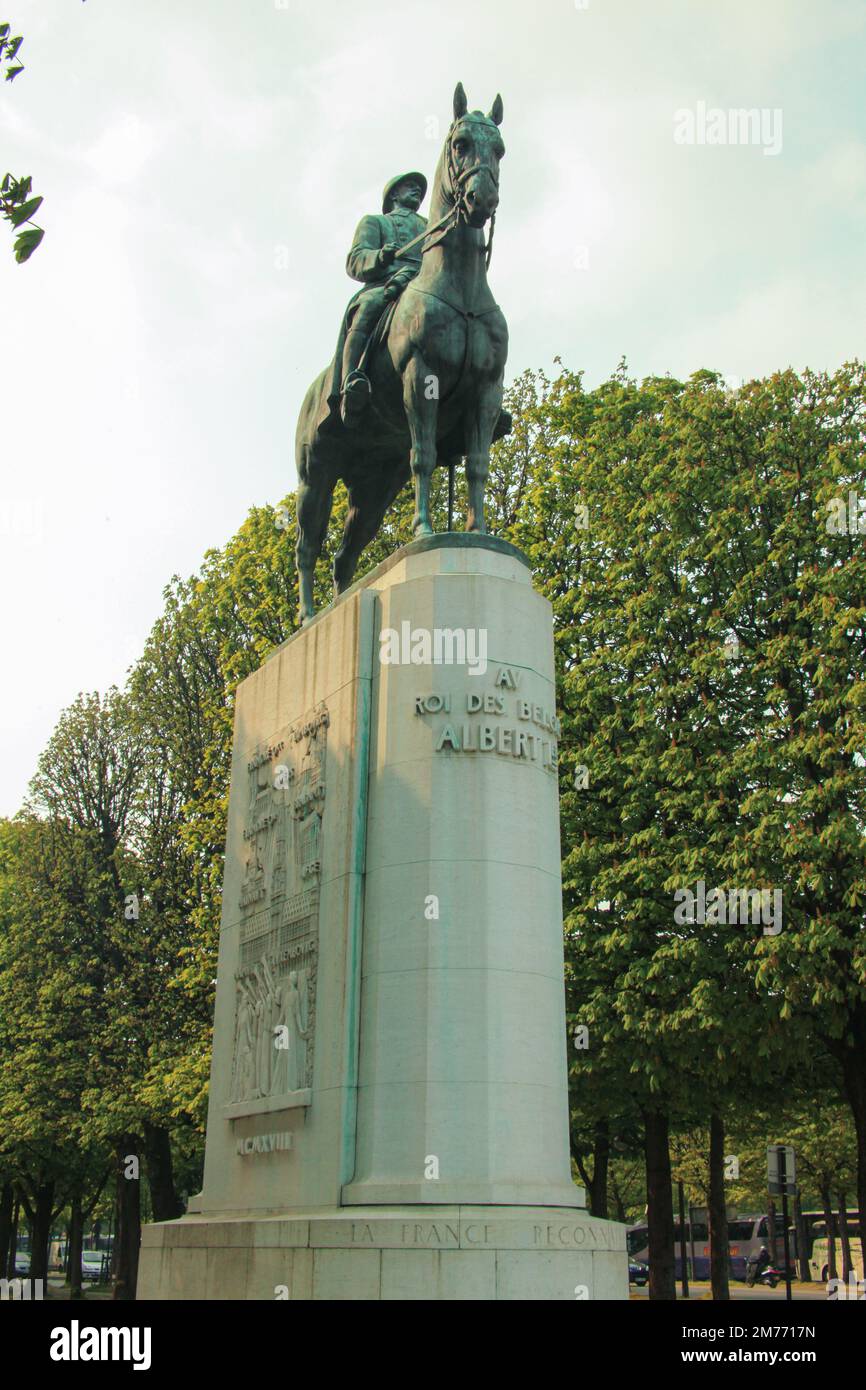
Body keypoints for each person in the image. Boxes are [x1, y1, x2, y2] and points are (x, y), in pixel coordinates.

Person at [335, 171, 428, 427]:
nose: (417, 190)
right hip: (385, 284)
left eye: (418, 188)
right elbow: (355, 260)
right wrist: (378, 257)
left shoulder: (432, 226)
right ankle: (351, 382)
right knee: (368, 307)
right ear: (393, 195)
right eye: (410, 186)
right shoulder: (375, 223)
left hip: (426, 287)